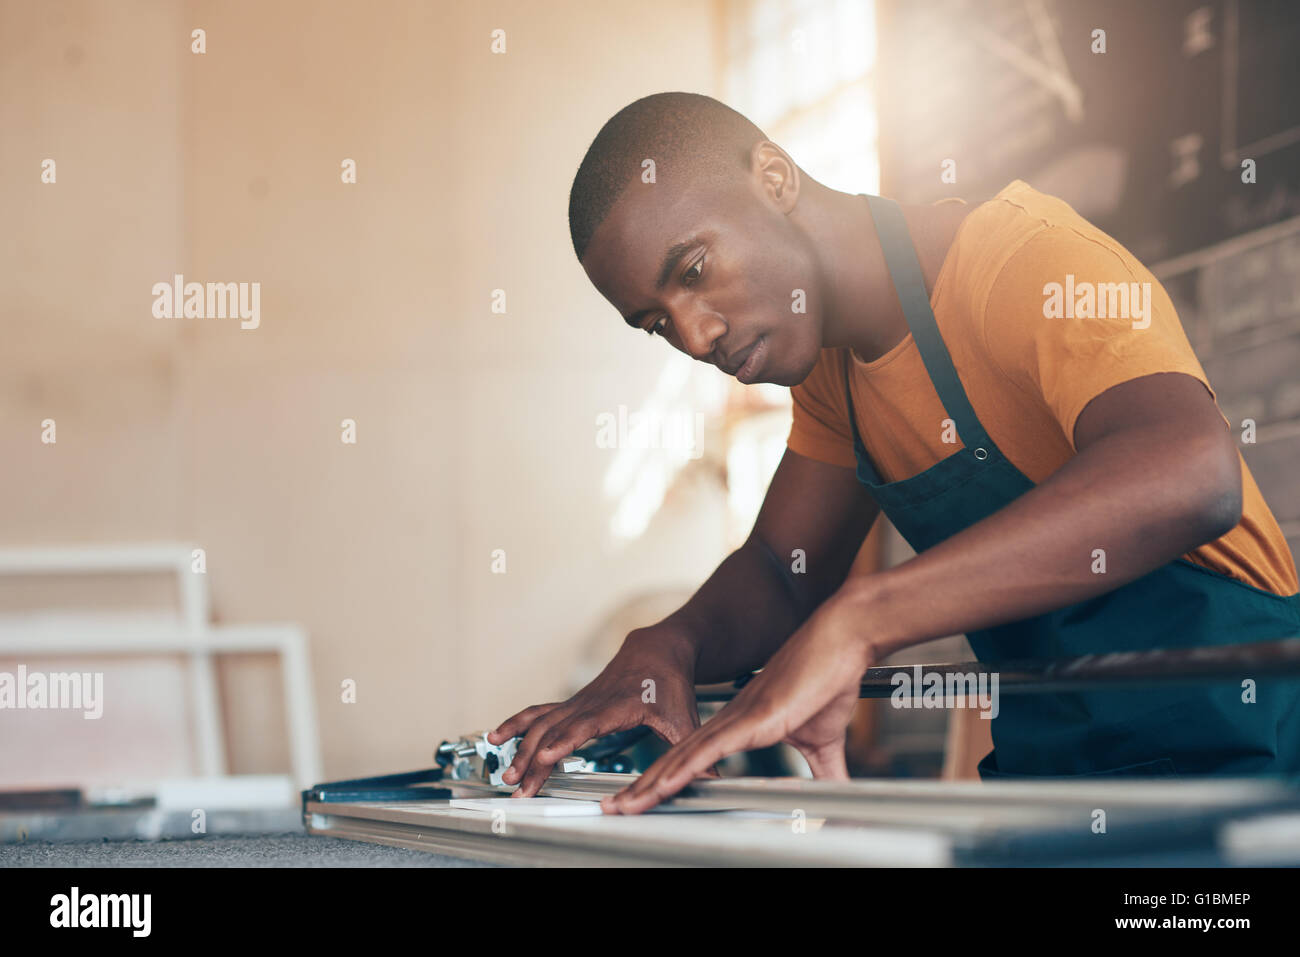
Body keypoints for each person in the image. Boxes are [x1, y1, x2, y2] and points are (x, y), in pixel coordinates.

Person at [488, 92, 1300, 814]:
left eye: (695, 270)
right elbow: (781, 567)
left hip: (1246, 753)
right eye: (656, 322)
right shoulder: (834, 374)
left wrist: (863, 620)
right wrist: (668, 643)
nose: (696, 335)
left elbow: (1188, 470)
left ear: (775, 179)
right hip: (1060, 773)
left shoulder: (1021, 261)